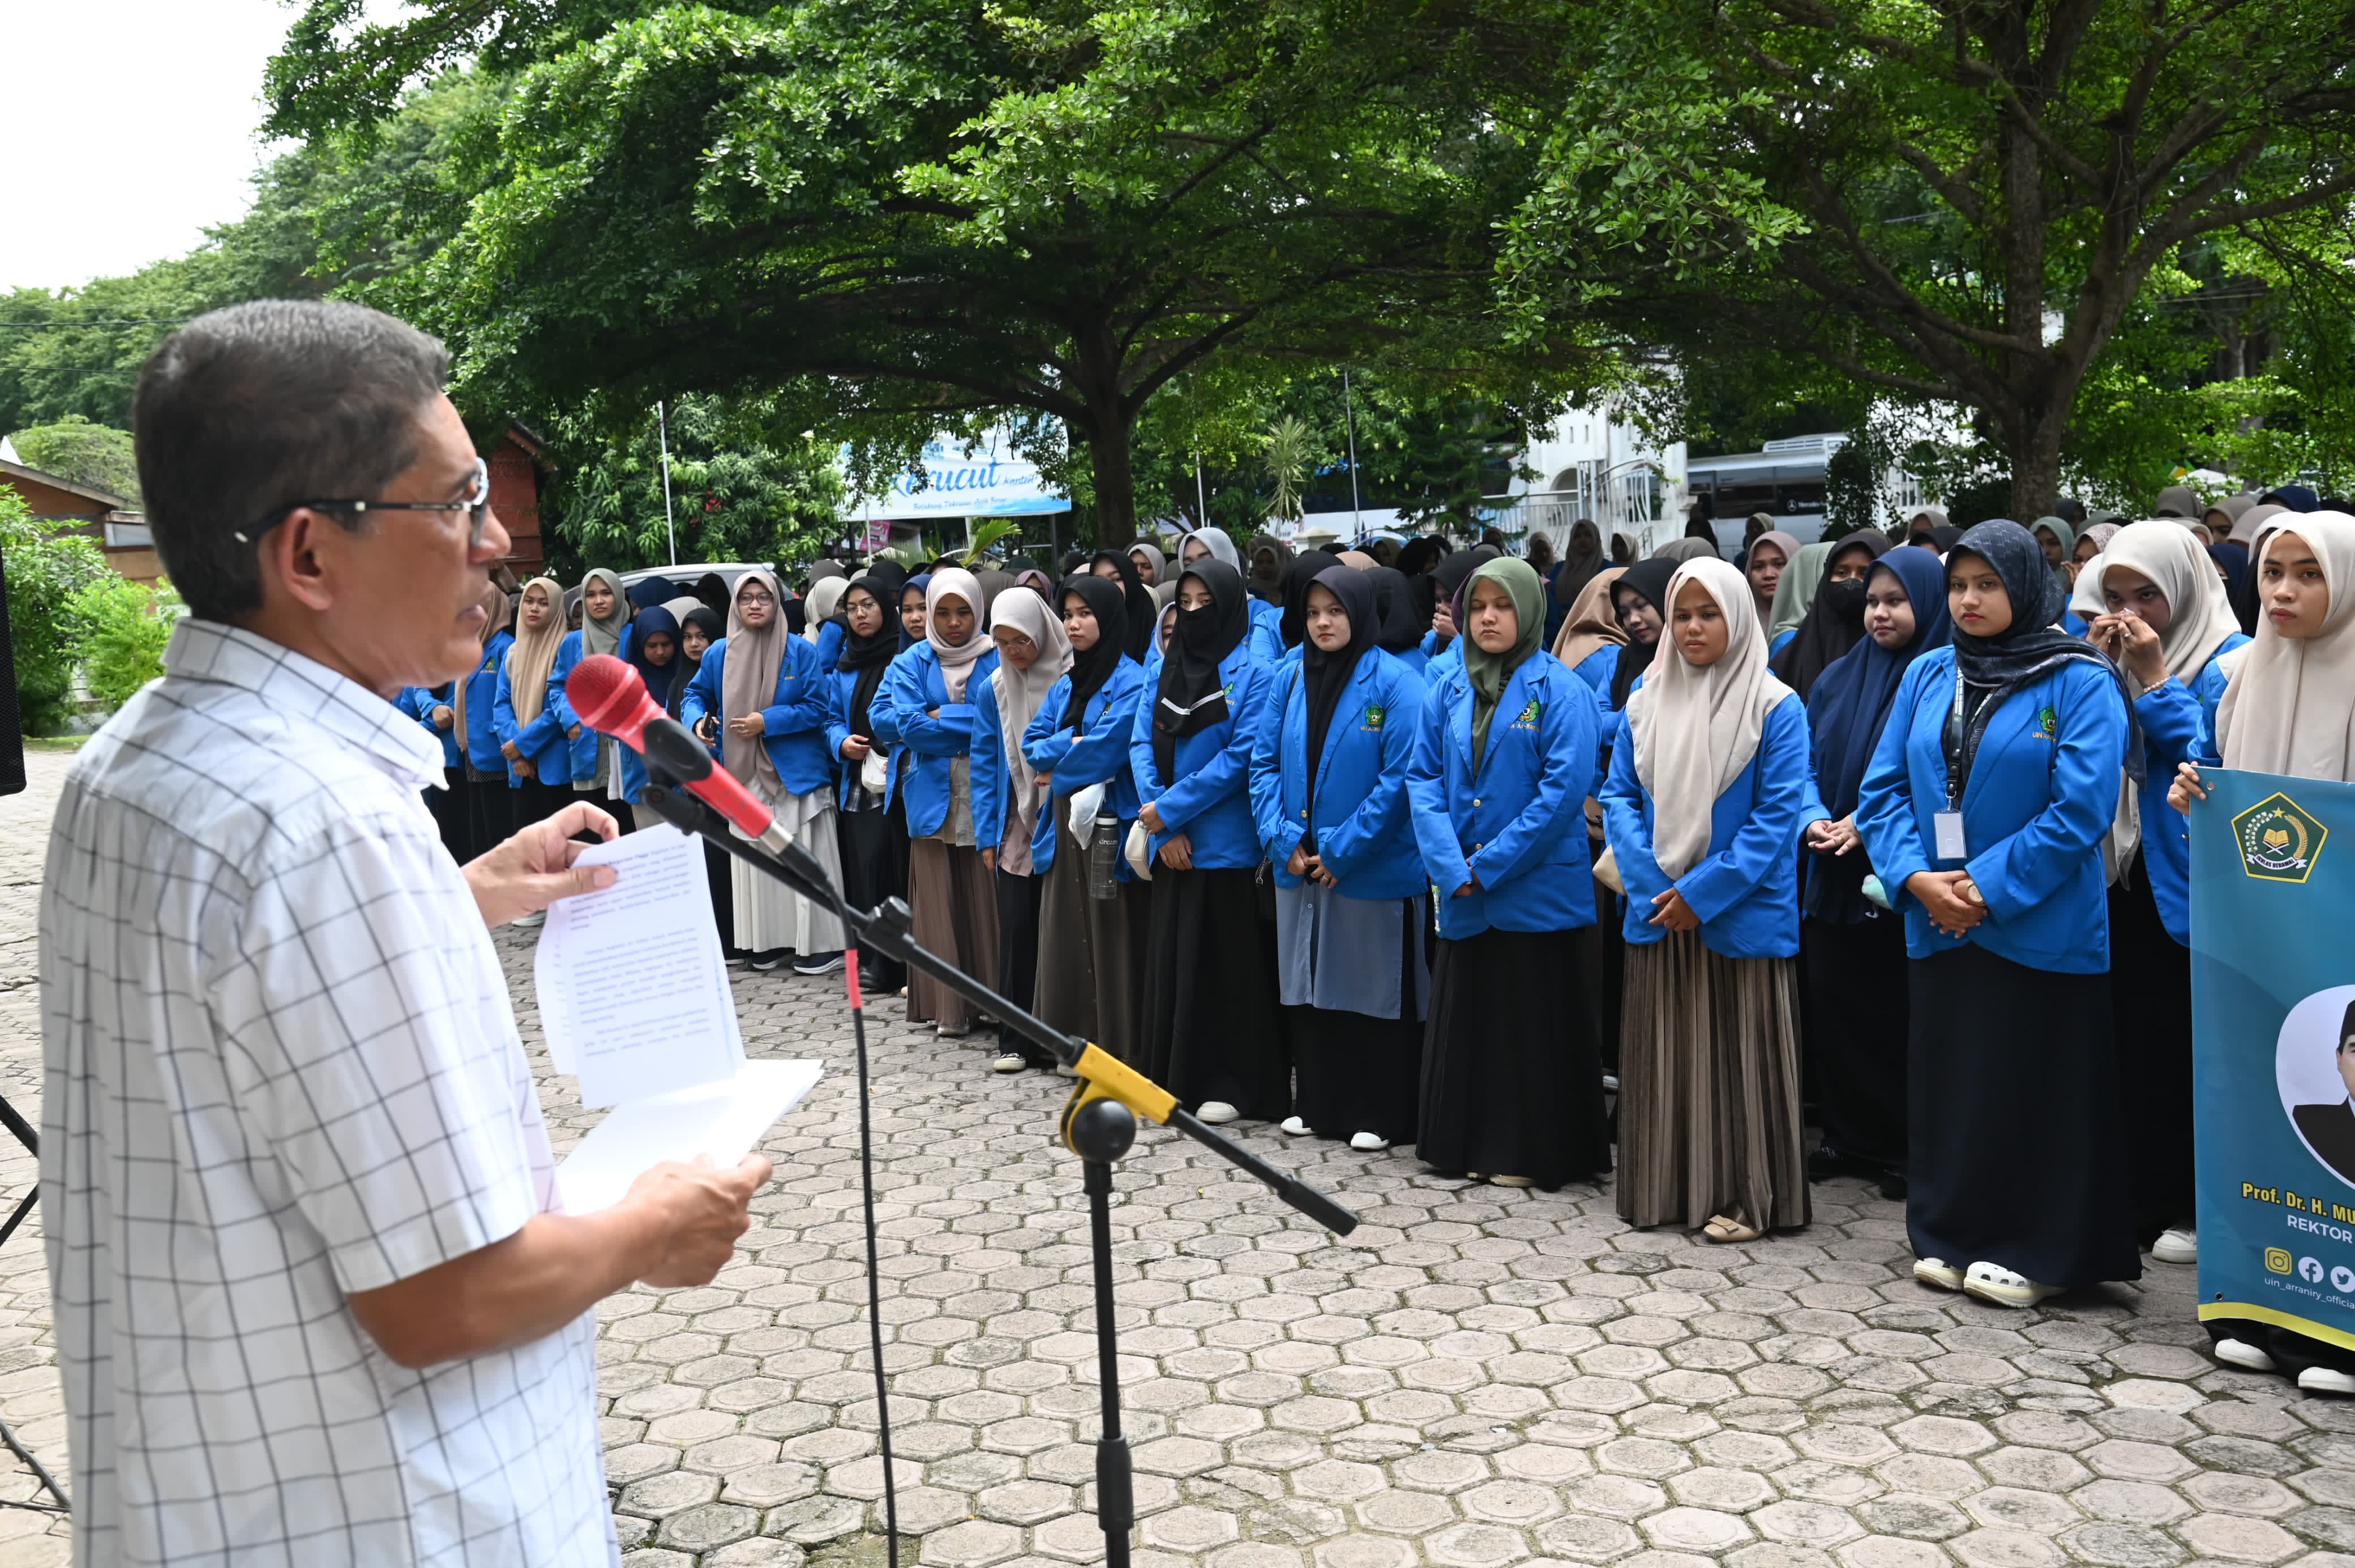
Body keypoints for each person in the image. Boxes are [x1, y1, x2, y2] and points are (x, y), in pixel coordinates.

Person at [44, 299, 768, 1564]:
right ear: (309, 556)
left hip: (213, 1491)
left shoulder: (134, 762)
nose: (497, 542)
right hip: (387, 1513)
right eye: (455, 501)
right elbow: (446, 1294)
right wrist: (653, 1226)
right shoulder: (326, 829)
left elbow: (238, 1006)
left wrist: (459, 891)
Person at [1855, 519, 2136, 1308]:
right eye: (1958, 584)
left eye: (1988, 584)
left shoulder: (2079, 678)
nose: (1970, 599)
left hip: (2035, 919)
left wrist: (1979, 886)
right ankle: (1953, 1231)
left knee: (2036, 1082)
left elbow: (2082, 808)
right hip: (1937, 916)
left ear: (2027, 585)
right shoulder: (1929, 672)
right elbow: (1881, 789)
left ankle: (2044, 1251)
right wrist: (1915, 877)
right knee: (1956, 1079)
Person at [2170, 512, 2355, 1387]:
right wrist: (2194, 788)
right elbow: (2222, 775)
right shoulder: (2247, 673)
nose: (2281, 591)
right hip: (2260, 946)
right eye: (2272, 571)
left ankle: (2341, 1331)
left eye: (2306, 575)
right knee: (2257, 1097)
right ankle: (2255, 1300)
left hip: (2340, 949)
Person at [1604, 558, 1810, 1240]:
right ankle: (1664, 1189)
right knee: (1666, 1054)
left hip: (1737, 910)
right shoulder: (1643, 698)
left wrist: (1701, 892)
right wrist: (1654, 884)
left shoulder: (1774, 706)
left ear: (1738, 616)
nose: (1692, 628)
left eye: (1708, 613)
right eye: (1682, 615)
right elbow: (1619, 799)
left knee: (1738, 1061)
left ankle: (1748, 1199)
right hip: (1658, 907)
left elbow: (1775, 821)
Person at [2078, 521, 2249, 1270]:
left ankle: (2195, 1201)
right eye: (2115, 595)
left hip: (2202, 884)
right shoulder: (2110, 659)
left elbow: (2216, 768)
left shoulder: (2231, 662)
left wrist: (2153, 679)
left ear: (2185, 586)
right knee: (2140, 1041)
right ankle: (2146, 1194)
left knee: (2198, 1048)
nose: (2131, 610)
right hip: (2129, 877)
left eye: (2147, 593)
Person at [1408, 556, 1608, 1189]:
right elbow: (1421, 779)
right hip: (1463, 889)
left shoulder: (1561, 690)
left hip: (1533, 889)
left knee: (1528, 1022)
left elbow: (1560, 795)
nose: (1487, 617)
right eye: (1476, 606)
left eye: (1501, 605)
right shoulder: (1446, 687)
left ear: (1528, 611)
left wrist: (1485, 866)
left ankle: (1528, 1151)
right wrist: (1447, 864)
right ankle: (1466, 1141)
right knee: (1473, 1019)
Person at [1249, 566, 1429, 1150]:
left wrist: (1343, 847)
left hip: (1369, 866)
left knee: (1372, 989)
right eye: (1312, 612)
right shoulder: (1287, 677)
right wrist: (1282, 836)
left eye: (1335, 610)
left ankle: (1381, 1111)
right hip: (1299, 863)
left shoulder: (1397, 684)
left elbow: (1401, 778)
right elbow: (1262, 764)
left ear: (1359, 612)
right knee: (1309, 984)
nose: (1323, 622)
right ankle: (1321, 1105)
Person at [1795, 546, 1952, 1199]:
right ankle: (1846, 1133)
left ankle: (1903, 1147)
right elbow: (1799, 758)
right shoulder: (1836, 676)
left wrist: (1866, 821)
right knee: (1837, 1002)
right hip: (1830, 865)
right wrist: (1811, 817)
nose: (1879, 613)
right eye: (1871, 602)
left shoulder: (1943, 679)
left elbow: (1942, 775)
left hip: (1903, 873)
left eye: (1895, 600)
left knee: (1899, 1013)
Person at [1131, 559, 1284, 1123]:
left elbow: (1240, 759)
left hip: (1224, 845)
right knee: (1176, 960)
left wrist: (1169, 810)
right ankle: (1177, 1076)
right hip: (1172, 843)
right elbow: (1138, 743)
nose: (1194, 613)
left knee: (1228, 969)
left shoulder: (1255, 673)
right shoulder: (1163, 665)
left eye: (1205, 603)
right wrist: (1163, 825)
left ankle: (1234, 1082)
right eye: (1185, 603)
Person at [682, 568, 849, 975]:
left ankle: (821, 945)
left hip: (796, 773)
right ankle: (769, 942)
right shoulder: (719, 652)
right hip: (742, 771)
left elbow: (817, 708)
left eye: (764, 598)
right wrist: (697, 723)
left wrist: (767, 721)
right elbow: (694, 694)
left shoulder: (800, 651)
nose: (755, 605)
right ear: (735, 606)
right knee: (757, 859)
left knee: (805, 854)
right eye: (746, 599)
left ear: (777, 604)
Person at [1027, 573, 1153, 1064]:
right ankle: (1074, 1039)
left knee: (1110, 926)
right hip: (1066, 818)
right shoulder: (1068, 682)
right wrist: (1069, 746)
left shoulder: (1133, 680)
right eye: (1069, 614)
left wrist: (1059, 765)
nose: (1074, 624)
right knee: (1068, 924)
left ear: (1110, 618)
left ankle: (1118, 1042)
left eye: (1085, 614)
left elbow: (1110, 750)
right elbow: (1031, 744)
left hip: (1107, 817)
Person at [875, 567, 1001, 1034]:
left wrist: (940, 716)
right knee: (937, 897)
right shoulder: (912, 661)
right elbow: (905, 725)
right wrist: (970, 725)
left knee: (984, 893)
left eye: (963, 612)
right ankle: (950, 1008)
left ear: (978, 611)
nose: (953, 623)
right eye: (942, 612)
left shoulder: (996, 653)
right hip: (929, 789)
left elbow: (1006, 720)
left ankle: (994, 1002)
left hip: (987, 784)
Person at [971, 583, 1073, 1071]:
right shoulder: (994, 686)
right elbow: (986, 762)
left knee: (1061, 933)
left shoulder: (1074, 675)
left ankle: (1062, 1040)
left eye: (1021, 641)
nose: (1013, 653)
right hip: (1018, 825)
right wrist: (988, 833)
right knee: (1017, 930)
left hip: (1068, 819)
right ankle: (1015, 1039)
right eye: (1003, 642)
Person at [827, 573, 911, 993]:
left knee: (891, 869)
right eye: (853, 607)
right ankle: (874, 962)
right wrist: (840, 741)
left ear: (886, 608)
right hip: (859, 780)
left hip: (897, 775)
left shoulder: (905, 657)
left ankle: (899, 965)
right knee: (863, 870)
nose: (861, 615)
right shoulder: (845, 662)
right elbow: (829, 717)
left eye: (869, 606)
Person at [673, 601, 737, 954]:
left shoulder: (730, 667)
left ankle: (735, 938)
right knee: (708, 861)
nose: (695, 644)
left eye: (703, 637)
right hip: (696, 786)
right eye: (688, 637)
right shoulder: (682, 683)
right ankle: (717, 938)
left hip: (728, 777)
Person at [494, 575, 573, 837]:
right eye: (529, 601)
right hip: (521, 767)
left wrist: (522, 745)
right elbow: (501, 705)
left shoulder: (567, 647)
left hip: (556, 764)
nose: (534, 608)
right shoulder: (514, 652)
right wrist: (517, 752)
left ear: (556, 607)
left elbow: (558, 709)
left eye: (543, 602)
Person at [554, 567, 633, 820]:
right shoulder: (573, 642)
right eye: (591, 595)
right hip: (589, 744)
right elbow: (558, 686)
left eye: (606, 593)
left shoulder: (633, 636)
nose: (599, 601)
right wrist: (570, 718)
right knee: (596, 828)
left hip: (628, 746)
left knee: (630, 825)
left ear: (619, 596)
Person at [1771, 532, 1890, 700]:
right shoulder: (1787, 663)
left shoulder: (1897, 662)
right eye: (1842, 573)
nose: (1851, 582)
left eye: (1864, 574)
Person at [454, 579, 519, 858]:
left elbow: (510, 702)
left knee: (500, 824)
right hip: (472, 749)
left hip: (498, 750)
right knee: (480, 825)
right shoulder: (468, 646)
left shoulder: (507, 648)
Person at [615, 604, 687, 832]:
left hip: (683, 781)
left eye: (666, 645)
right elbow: (609, 724)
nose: (660, 652)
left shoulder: (687, 677)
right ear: (639, 645)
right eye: (652, 645)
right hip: (642, 776)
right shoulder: (625, 681)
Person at [1179, 526, 1284, 660]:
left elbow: (1265, 671)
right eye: (1189, 564)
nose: (1197, 569)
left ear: (1226, 560)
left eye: (1205, 561)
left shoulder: (1262, 614)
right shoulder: (1179, 615)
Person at [1607, 558, 1678, 712]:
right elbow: (1601, 717)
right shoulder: (1623, 659)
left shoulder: (1691, 659)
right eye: (1625, 613)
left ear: (1666, 600)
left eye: (1641, 606)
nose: (1633, 620)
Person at [1091, 549, 1160, 659]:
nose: (1106, 586)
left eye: (1116, 579)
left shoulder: (1159, 638)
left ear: (1131, 581)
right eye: (1098, 581)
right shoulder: (1085, 629)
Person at [1744, 529, 1800, 629]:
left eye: (1779, 564)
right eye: (1758, 566)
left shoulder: (1816, 623)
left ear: (1797, 567)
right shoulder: (1739, 628)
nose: (1768, 575)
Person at [802, 571, 850, 668]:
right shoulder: (801, 645)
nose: (847, 611)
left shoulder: (854, 635)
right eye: (840, 604)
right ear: (822, 607)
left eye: (850, 605)